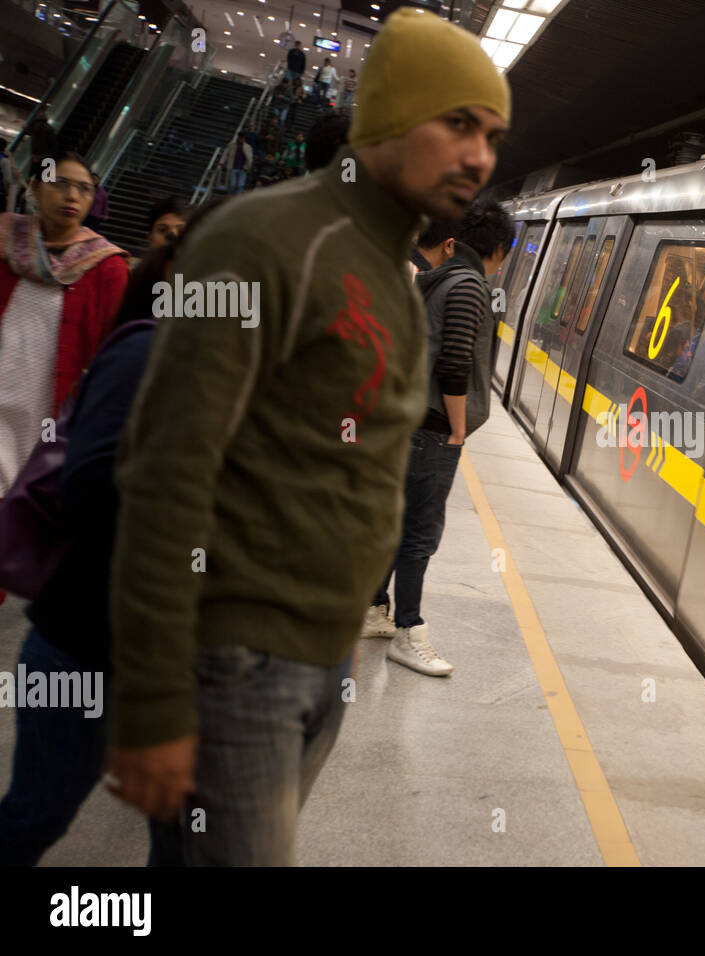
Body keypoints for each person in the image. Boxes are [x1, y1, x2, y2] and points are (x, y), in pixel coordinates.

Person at [105, 8, 510, 866]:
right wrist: (149, 700)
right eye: (459, 123)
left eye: (494, 134)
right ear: (392, 118)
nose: (480, 156)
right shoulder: (263, 239)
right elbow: (165, 470)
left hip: (321, 663)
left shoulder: (396, 276)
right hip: (235, 662)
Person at [0, 201, 225, 864]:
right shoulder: (149, 351)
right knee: (37, 813)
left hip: (160, 656)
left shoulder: (217, 367)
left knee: (181, 835)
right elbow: (92, 490)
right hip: (83, 642)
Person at [363, 201, 512, 675]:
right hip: (433, 428)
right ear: (500, 250)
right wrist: (460, 427)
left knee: (399, 522)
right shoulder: (470, 287)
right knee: (420, 535)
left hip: (410, 420)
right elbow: (454, 363)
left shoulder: (436, 280)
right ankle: (409, 632)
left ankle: (372, 608)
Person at [0, 150, 128, 497]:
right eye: (60, 184)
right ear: (35, 187)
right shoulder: (3, 239)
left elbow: (111, 348)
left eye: (84, 189)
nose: (72, 196)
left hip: (45, 407)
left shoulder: (106, 266)